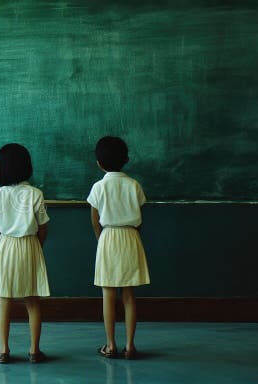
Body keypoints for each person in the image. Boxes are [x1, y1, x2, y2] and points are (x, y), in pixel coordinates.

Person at [0, 143, 50, 364]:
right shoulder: (35, 194)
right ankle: (34, 351)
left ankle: (3, 351)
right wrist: (36, 247)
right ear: (26, 166)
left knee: (5, 300)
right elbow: (43, 227)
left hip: (5, 246)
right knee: (32, 300)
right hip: (30, 245)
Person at [87, 136, 150, 360]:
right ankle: (130, 346)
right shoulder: (134, 185)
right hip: (131, 237)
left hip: (108, 237)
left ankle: (111, 345)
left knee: (108, 294)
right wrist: (132, 235)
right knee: (129, 295)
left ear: (99, 163)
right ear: (125, 159)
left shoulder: (99, 186)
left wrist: (101, 238)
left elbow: (95, 219)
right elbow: (140, 219)